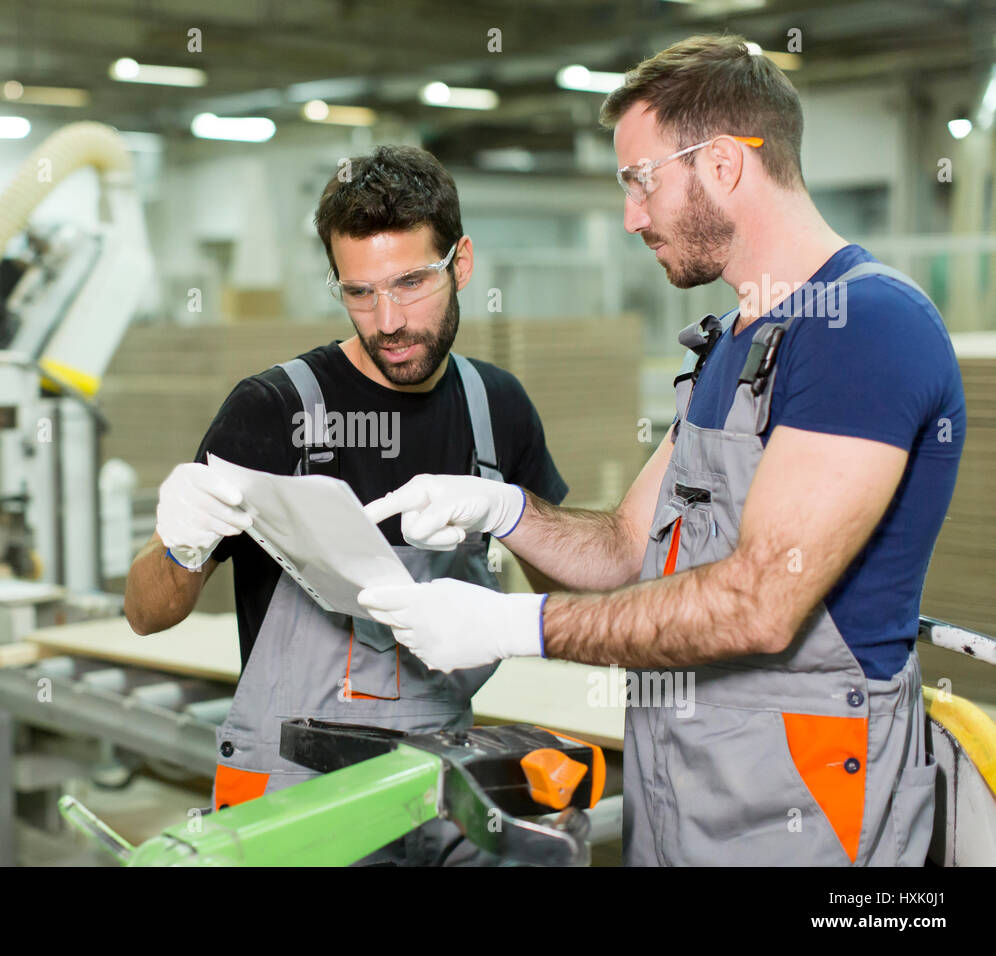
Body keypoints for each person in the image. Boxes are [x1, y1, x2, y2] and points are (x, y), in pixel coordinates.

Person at [358, 35, 966, 866]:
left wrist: (513, 622)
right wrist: (503, 512)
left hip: (807, 802)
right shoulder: (735, 344)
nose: (630, 216)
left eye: (640, 180)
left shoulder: (865, 328)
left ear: (722, 164)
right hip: (685, 781)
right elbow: (620, 551)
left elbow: (760, 601)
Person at [123, 144, 568, 865]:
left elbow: (570, 597)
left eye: (411, 283)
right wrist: (181, 543)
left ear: (462, 264)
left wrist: (511, 511)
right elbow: (148, 615)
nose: (388, 320)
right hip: (293, 791)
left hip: (440, 774)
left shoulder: (498, 409)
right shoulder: (274, 411)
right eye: (359, 292)